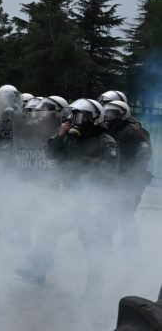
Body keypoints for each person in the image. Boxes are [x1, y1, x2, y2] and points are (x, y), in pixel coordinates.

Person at [16, 99, 118, 298]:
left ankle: (94, 290)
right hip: (71, 197)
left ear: (94, 119)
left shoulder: (106, 142)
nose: (75, 120)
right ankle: (39, 270)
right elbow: (50, 153)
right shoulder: (71, 136)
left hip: (93, 202)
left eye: (81, 116)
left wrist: (82, 164)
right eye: (74, 116)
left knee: (93, 245)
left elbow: (109, 172)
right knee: (47, 228)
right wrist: (61, 135)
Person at [102, 100, 153, 260]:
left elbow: (145, 152)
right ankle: (106, 248)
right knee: (112, 213)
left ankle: (132, 251)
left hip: (130, 181)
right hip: (116, 178)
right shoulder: (111, 128)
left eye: (114, 113)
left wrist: (127, 171)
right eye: (108, 112)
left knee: (123, 214)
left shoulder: (133, 130)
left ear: (123, 114)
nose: (109, 115)